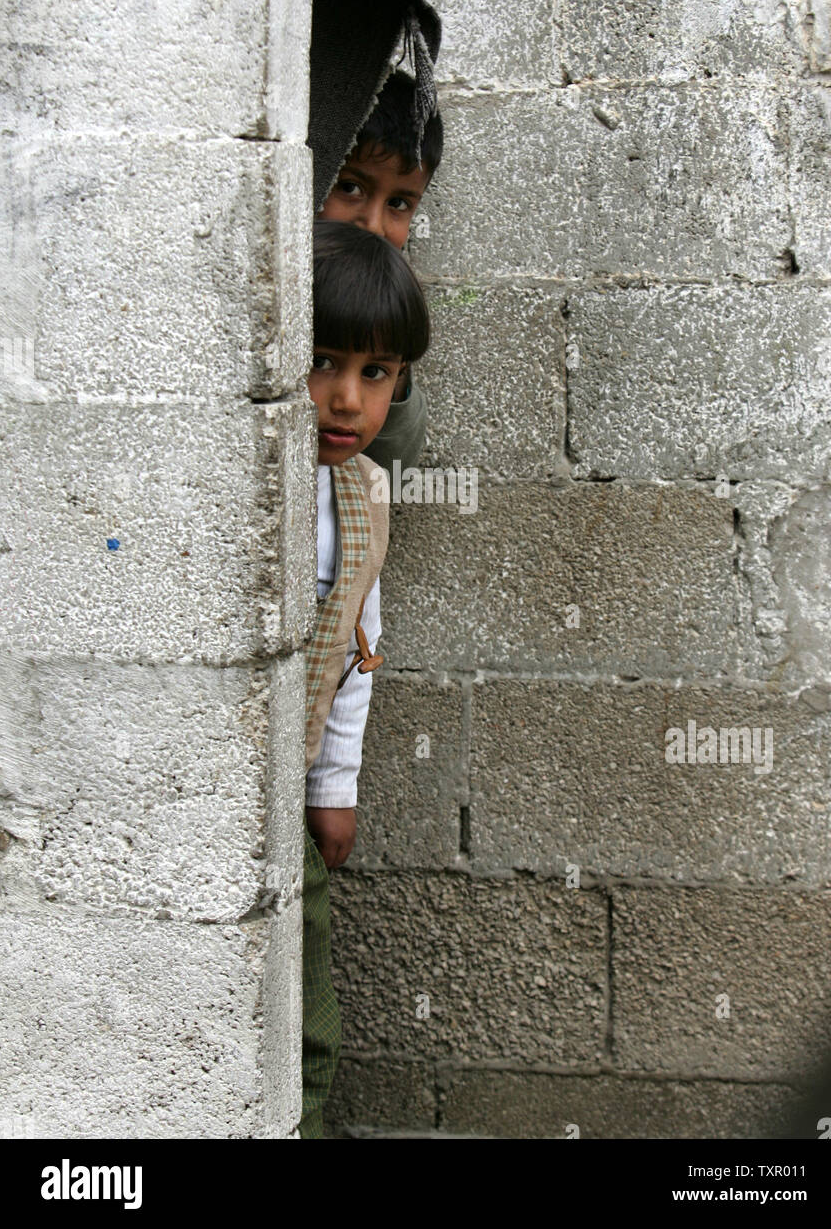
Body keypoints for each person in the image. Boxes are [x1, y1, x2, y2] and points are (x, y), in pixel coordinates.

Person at [300, 220, 430, 1139]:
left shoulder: (360, 497)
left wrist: (333, 786)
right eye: (323, 363)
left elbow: (357, 646)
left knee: (308, 1026)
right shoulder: (234, 476)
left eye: (375, 373)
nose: (346, 400)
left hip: (284, 813)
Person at [318, 69, 443, 472]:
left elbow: (392, 469)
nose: (372, 223)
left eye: (400, 204)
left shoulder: (388, 292)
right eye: (350, 187)